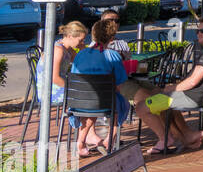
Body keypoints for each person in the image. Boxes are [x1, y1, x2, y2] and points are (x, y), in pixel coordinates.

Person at [136, 17, 203, 154]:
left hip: (191, 97)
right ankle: (188, 136)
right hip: (192, 96)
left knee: (141, 108)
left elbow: (192, 81)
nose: (199, 34)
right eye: (197, 31)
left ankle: (165, 139)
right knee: (161, 103)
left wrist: (167, 89)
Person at [69, 19, 134, 157]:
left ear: (93, 35)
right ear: (112, 38)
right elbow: (119, 83)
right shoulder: (113, 55)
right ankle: (110, 139)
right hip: (105, 102)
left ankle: (81, 140)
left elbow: (75, 75)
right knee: (120, 103)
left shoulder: (80, 54)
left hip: (79, 101)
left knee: (92, 104)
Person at [41, 22, 90, 155]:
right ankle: (84, 136)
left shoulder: (67, 48)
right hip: (49, 90)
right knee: (90, 99)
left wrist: (82, 47)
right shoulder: (58, 50)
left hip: (59, 86)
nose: (82, 42)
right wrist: (73, 87)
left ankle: (86, 134)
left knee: (88, 95)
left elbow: (82, 61)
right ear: (69, 36)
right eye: (80, 40)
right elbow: (54, 78)